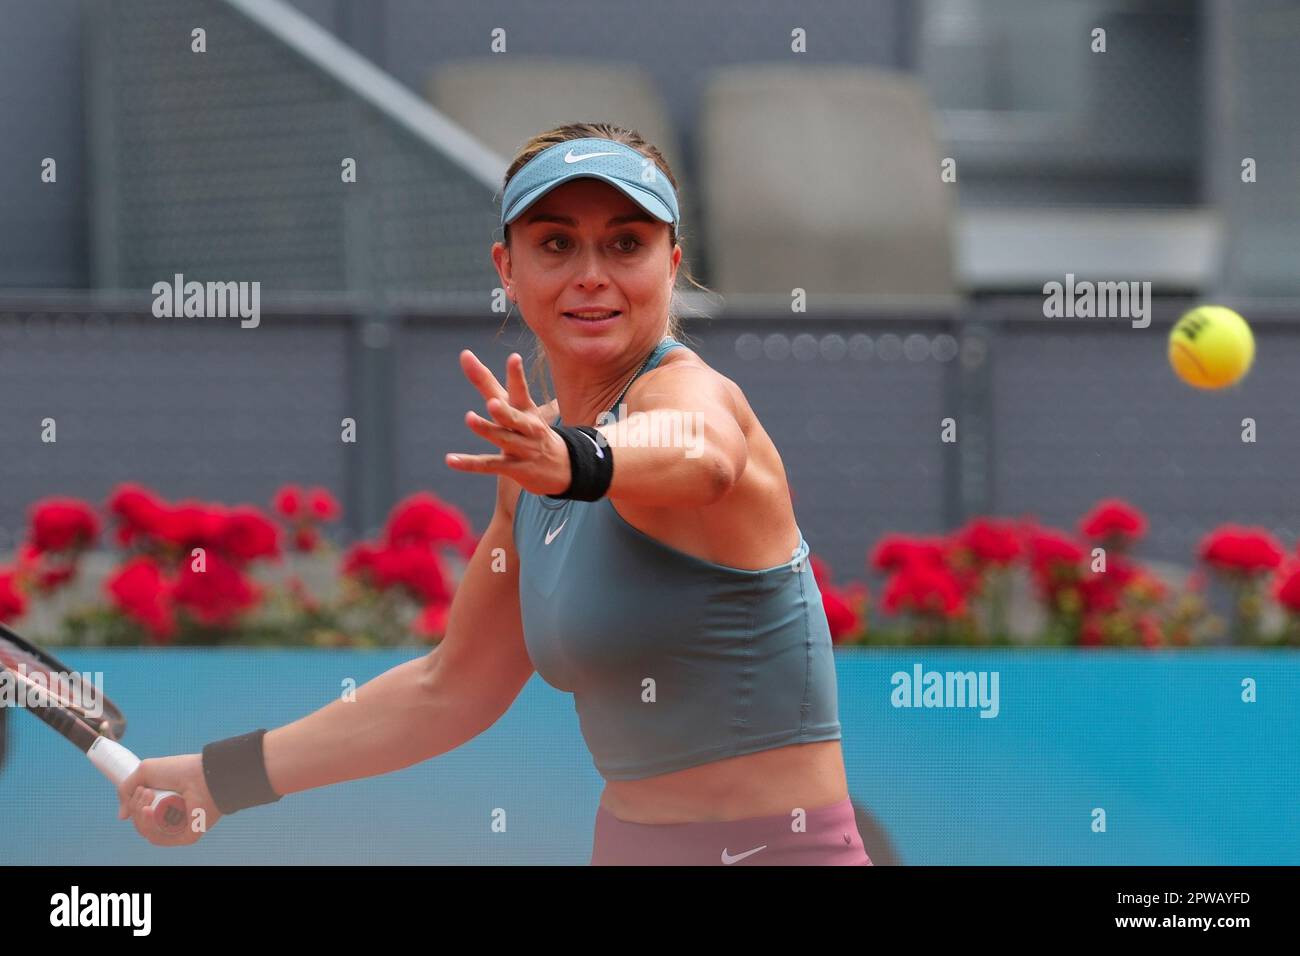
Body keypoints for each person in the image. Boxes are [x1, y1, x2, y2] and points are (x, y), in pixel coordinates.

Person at [118, 122, 870, 866]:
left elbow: (703, 454)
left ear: (672, 264)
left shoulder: (686, 399)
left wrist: (581, 458)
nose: (590, 274)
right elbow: (447, 691)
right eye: (554, 244)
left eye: (625, 243)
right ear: (506, 268)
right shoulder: (532, 468)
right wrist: (221, 778)